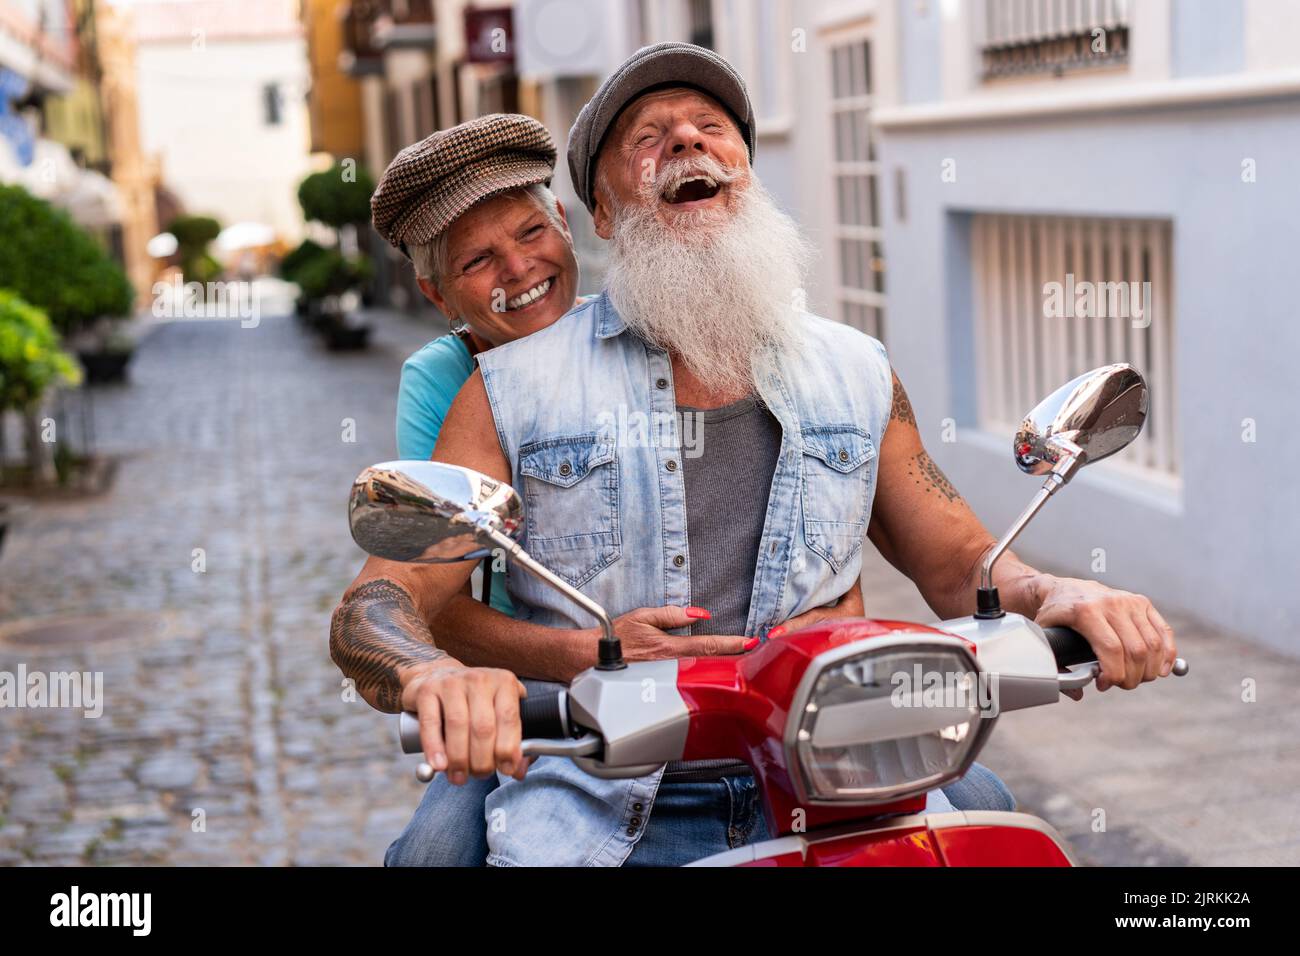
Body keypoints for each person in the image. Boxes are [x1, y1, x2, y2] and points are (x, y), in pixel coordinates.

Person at [334, 45, 1172, 866]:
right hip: (603, 800)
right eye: (649, 138)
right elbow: (382, 598)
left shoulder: (858, 369)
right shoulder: (508, 390)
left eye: (709, 126)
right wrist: (433, 675)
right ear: (603, 211)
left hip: (846, 779)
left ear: (746, 174)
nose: (688, 142)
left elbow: (962, 562)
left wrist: (1056, 590)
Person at [351, 111, 871, 866]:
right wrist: (560, 658)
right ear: (439, 296)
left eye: (531, 235)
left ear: (568, 224)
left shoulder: (669, 310)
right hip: (533, 700)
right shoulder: (456, 387)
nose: (519, 271)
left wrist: (839, 614)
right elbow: (429, 595)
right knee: (435, 852)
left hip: (764, 731)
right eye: (477, 262)